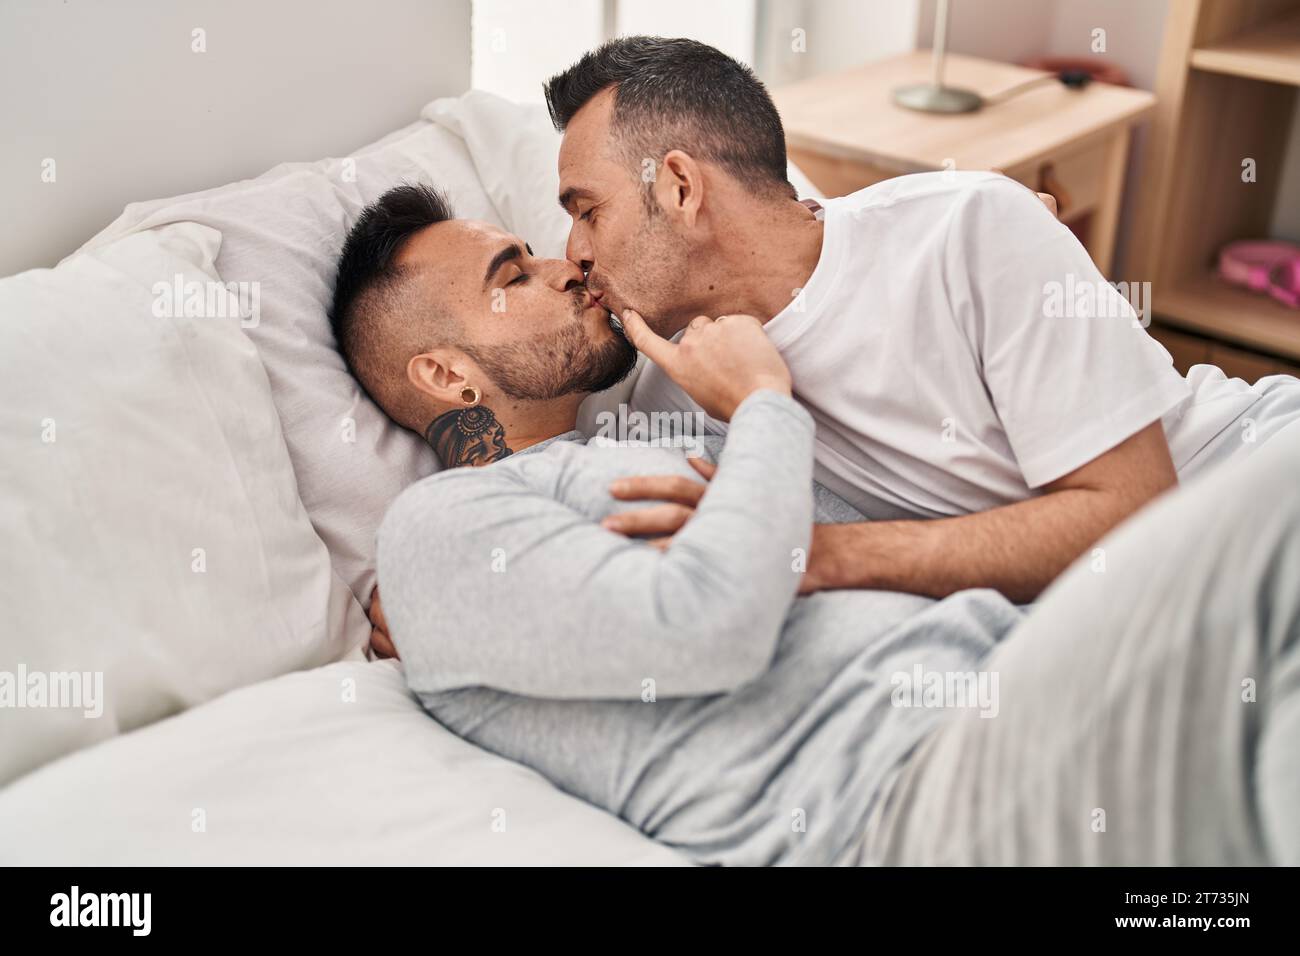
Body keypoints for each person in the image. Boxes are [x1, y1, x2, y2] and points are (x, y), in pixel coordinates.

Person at [333, 184, 1299, 866]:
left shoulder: (657, 425)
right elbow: (705, 619)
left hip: (1037, 692)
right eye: (515, 271)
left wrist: (961, 250)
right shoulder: (441, 530)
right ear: (447, 377)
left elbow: (784, 262)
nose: (565, 261)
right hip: (906, 791)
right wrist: (762, 403)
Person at [544, 36, 1300, 602]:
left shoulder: (969, 227)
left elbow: (1132, 517)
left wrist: (825, 553)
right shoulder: (679, 384)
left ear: (678, 187)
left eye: (588, 211)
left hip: (1253, 485)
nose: (573, 251)